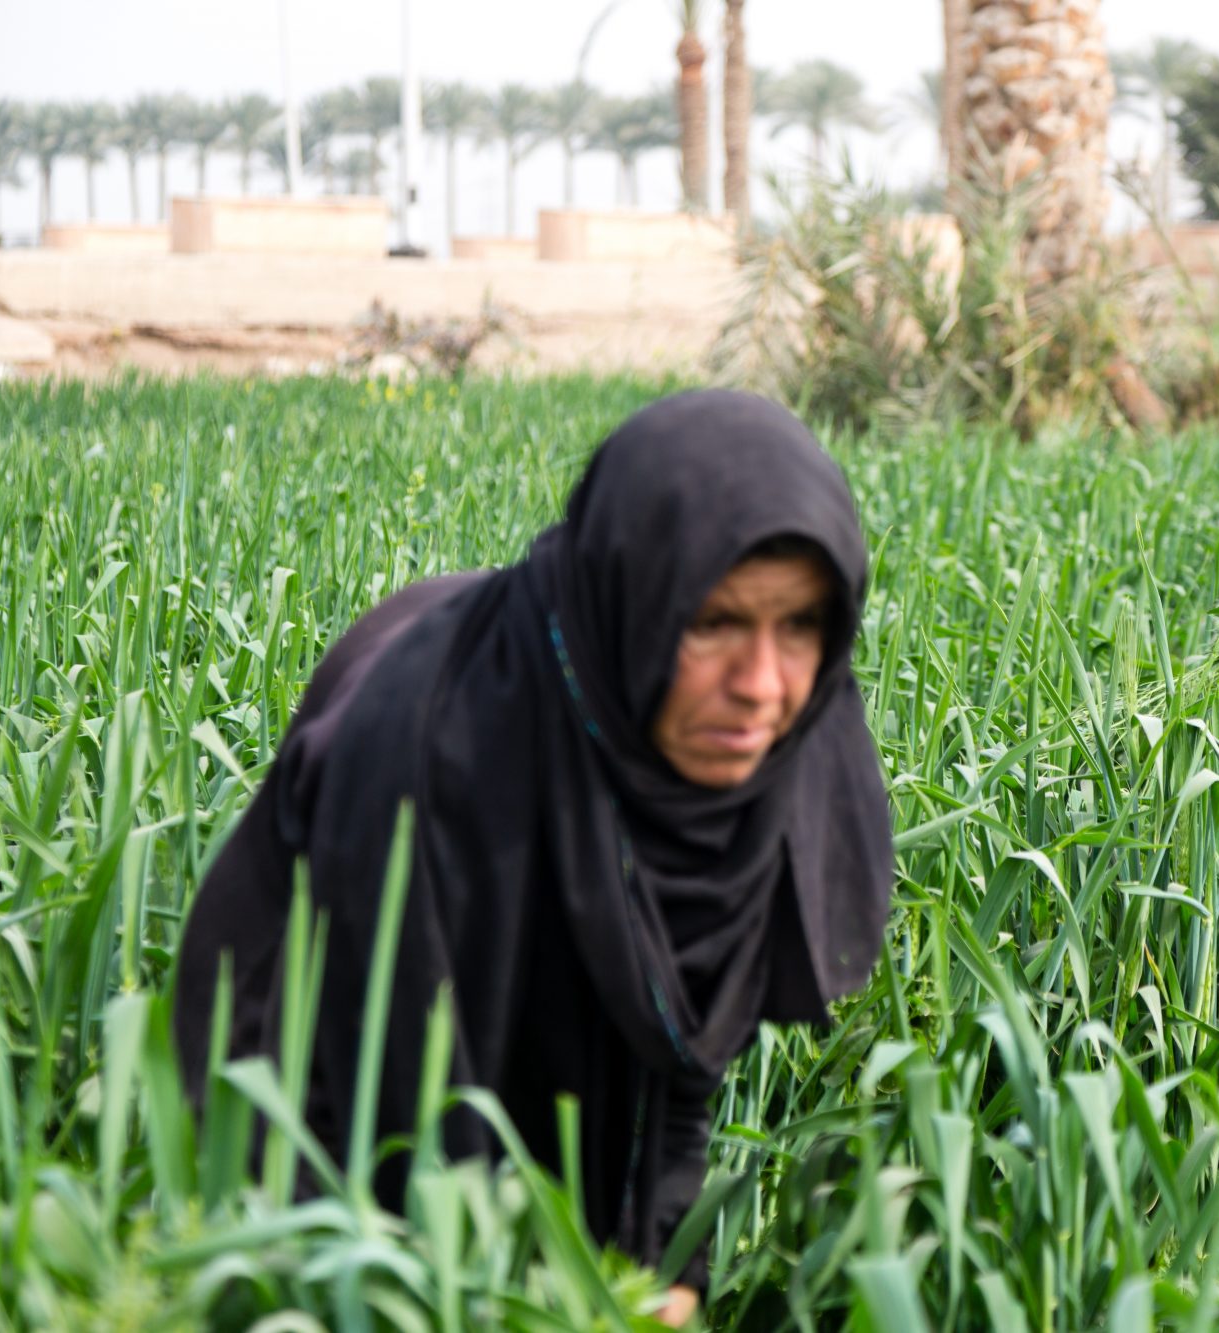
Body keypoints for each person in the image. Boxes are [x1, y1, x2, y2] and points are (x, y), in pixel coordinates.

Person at [172, 390, 895, 1327]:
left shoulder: (776, 752)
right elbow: (377, 1115)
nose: (761, 685)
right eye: (713, 622)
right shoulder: (436, 751)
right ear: (632, 603)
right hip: (347, 1044)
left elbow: (687, 1029)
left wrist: (666, 1257)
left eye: (798, 626)